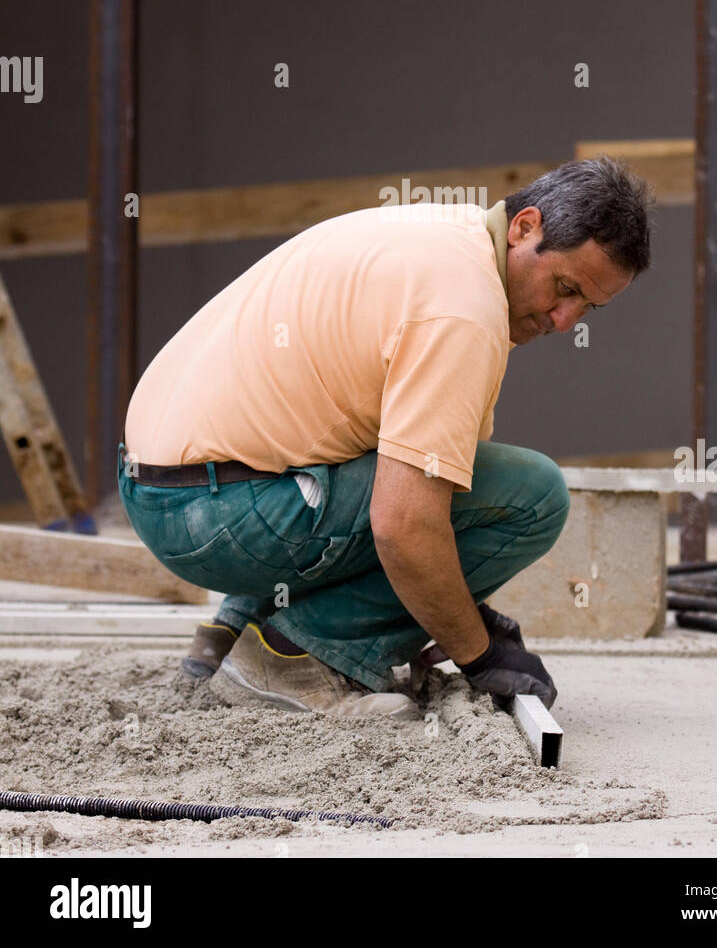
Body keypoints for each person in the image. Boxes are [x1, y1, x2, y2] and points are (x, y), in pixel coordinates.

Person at [118, 156, 652, 721]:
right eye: (564, 287)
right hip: (213, 516)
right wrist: (479, 651)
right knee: (534, 497)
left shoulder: (446, 238)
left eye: (588, 306)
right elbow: (405, 525)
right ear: (524, 228)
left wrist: (455, 606)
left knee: (397, 454)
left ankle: (231, 630)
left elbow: (437, 472)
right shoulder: (463, 310)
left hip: (159, 488)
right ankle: (292, 656)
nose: (566, 321)